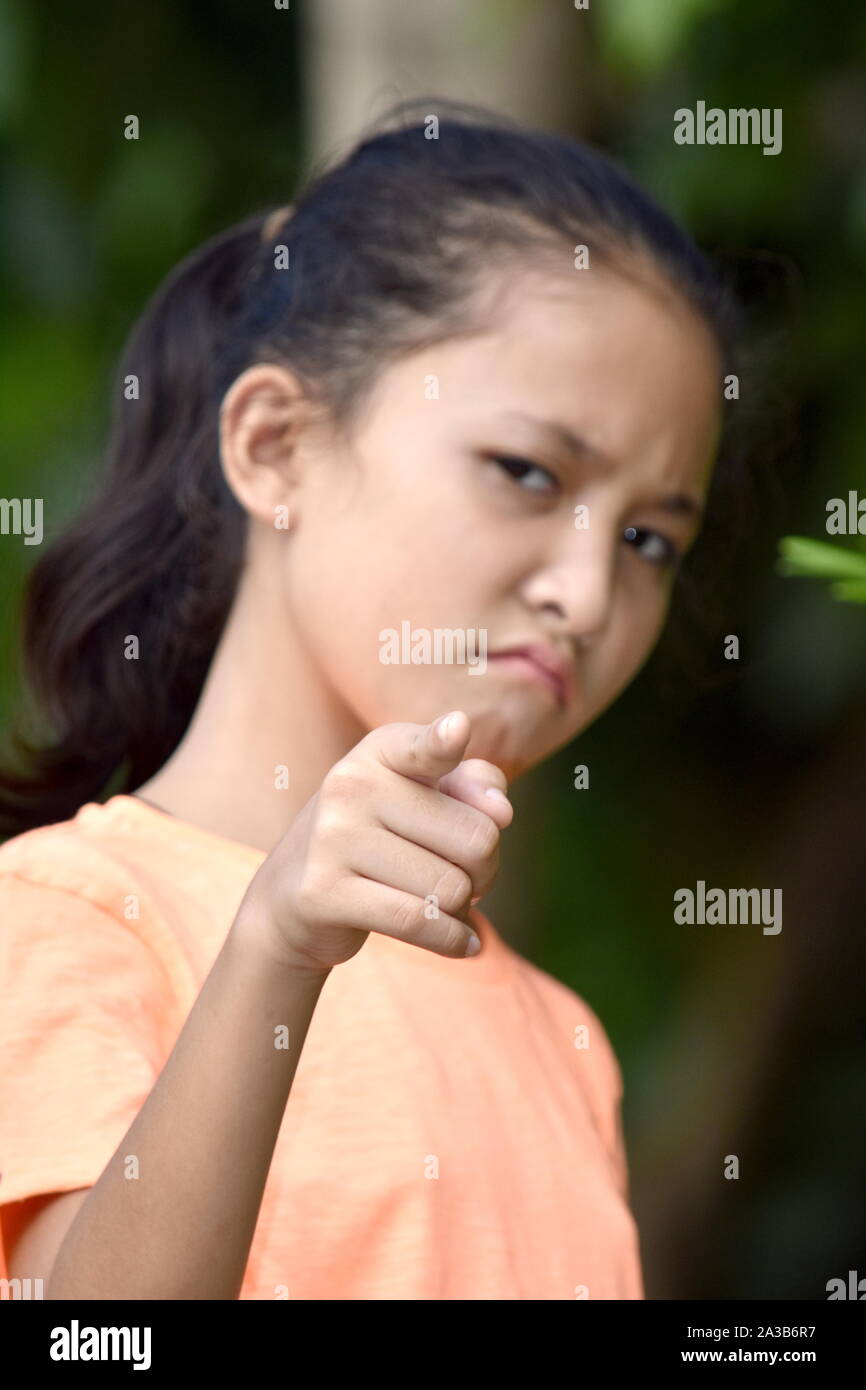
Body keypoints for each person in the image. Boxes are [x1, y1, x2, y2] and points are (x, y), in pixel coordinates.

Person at [0, 97, 745, 1299]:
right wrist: (274, 951)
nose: (587, 591)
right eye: (528, 472)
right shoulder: (65, 920)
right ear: (275, 445)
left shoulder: (566, 1044)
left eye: (649, 542)